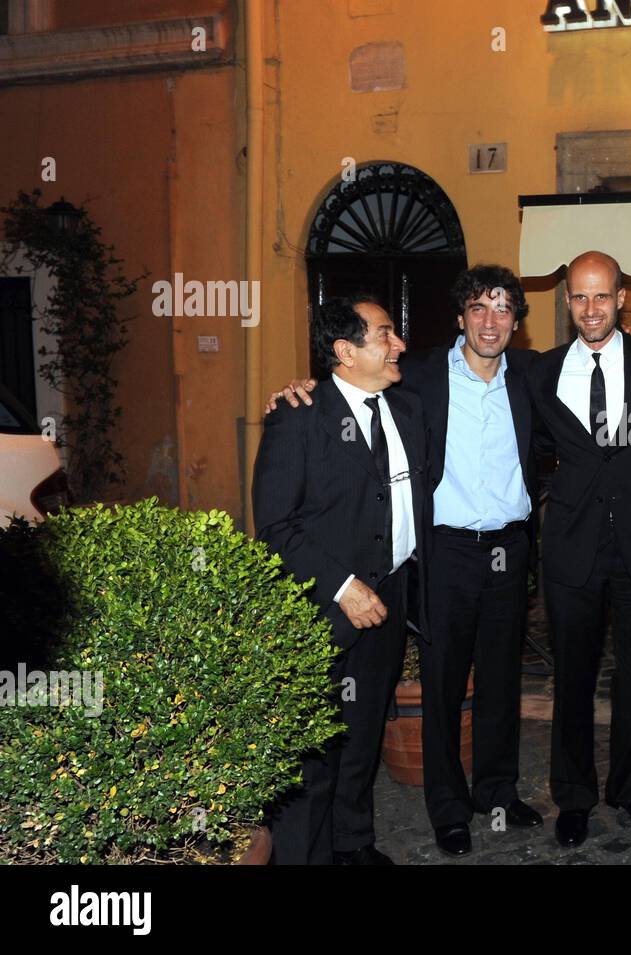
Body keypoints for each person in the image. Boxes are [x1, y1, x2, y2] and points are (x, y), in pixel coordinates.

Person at [265, 266, 545, 859]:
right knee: (426, 691)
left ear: (517, 322)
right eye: (478, 308)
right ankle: (443, 810)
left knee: (494, 682)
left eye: (503, 310)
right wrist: (298, 392)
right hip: (438, 557)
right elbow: (281, 517)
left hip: (503, 551)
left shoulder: (530, 377)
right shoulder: (415, 380)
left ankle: (491, 795)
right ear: (461, 316)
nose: (490, 322)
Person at [253, 293, 429, 865]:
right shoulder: (297, 416)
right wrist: (344, 586)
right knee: (313, 753)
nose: (398, 343)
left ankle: (354, 844)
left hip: (390, 599)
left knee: (361, 737)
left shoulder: (409, 410)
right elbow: (275, 526)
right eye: (384, 334)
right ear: (345, 351)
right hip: (322, 609)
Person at [528, 250, 631, 848]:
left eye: (601, 296)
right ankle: (574, 795)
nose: (591, 308)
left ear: (620, 299)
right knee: (574, 678)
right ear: (568, 303)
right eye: (578, 297)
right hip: (571, 548)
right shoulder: (538, 373)